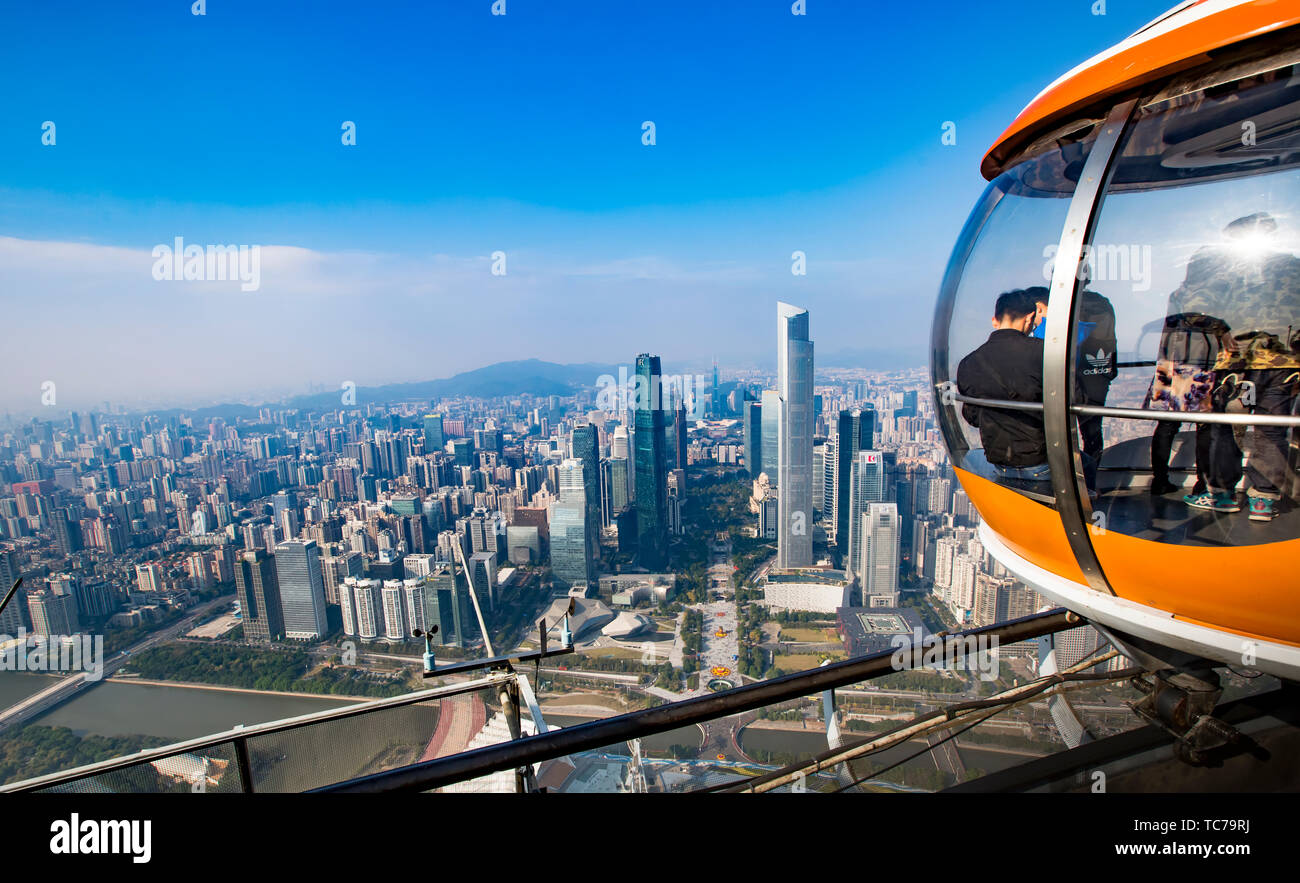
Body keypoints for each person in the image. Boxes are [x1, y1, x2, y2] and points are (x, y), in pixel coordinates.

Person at [1167, 213, 1300, 521]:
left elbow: (1194, 308)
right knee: (1272, 429)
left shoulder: (1227, 270)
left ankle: (1223, 495)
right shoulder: (1293, 267)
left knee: (1223, 428)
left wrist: (1221, 329)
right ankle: (1263, 500)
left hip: (1238, 362)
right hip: (1284, 363)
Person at [957, 289, 1096, 490]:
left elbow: (973, 417)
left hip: (999, 463)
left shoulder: (968, 363)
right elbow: (1077, 400)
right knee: (1089, 465)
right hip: (1042, 462)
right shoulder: (1044, 352)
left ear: (995, 320)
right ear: (1030, 317)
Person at [1028, 283, 1116, 465]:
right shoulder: (1101, 304)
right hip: (1097, 374)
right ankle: (1091, 479)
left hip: (1064, 382)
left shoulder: (1060, 316)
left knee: (1057, 433)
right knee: (1092, 433)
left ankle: (1063, 477)